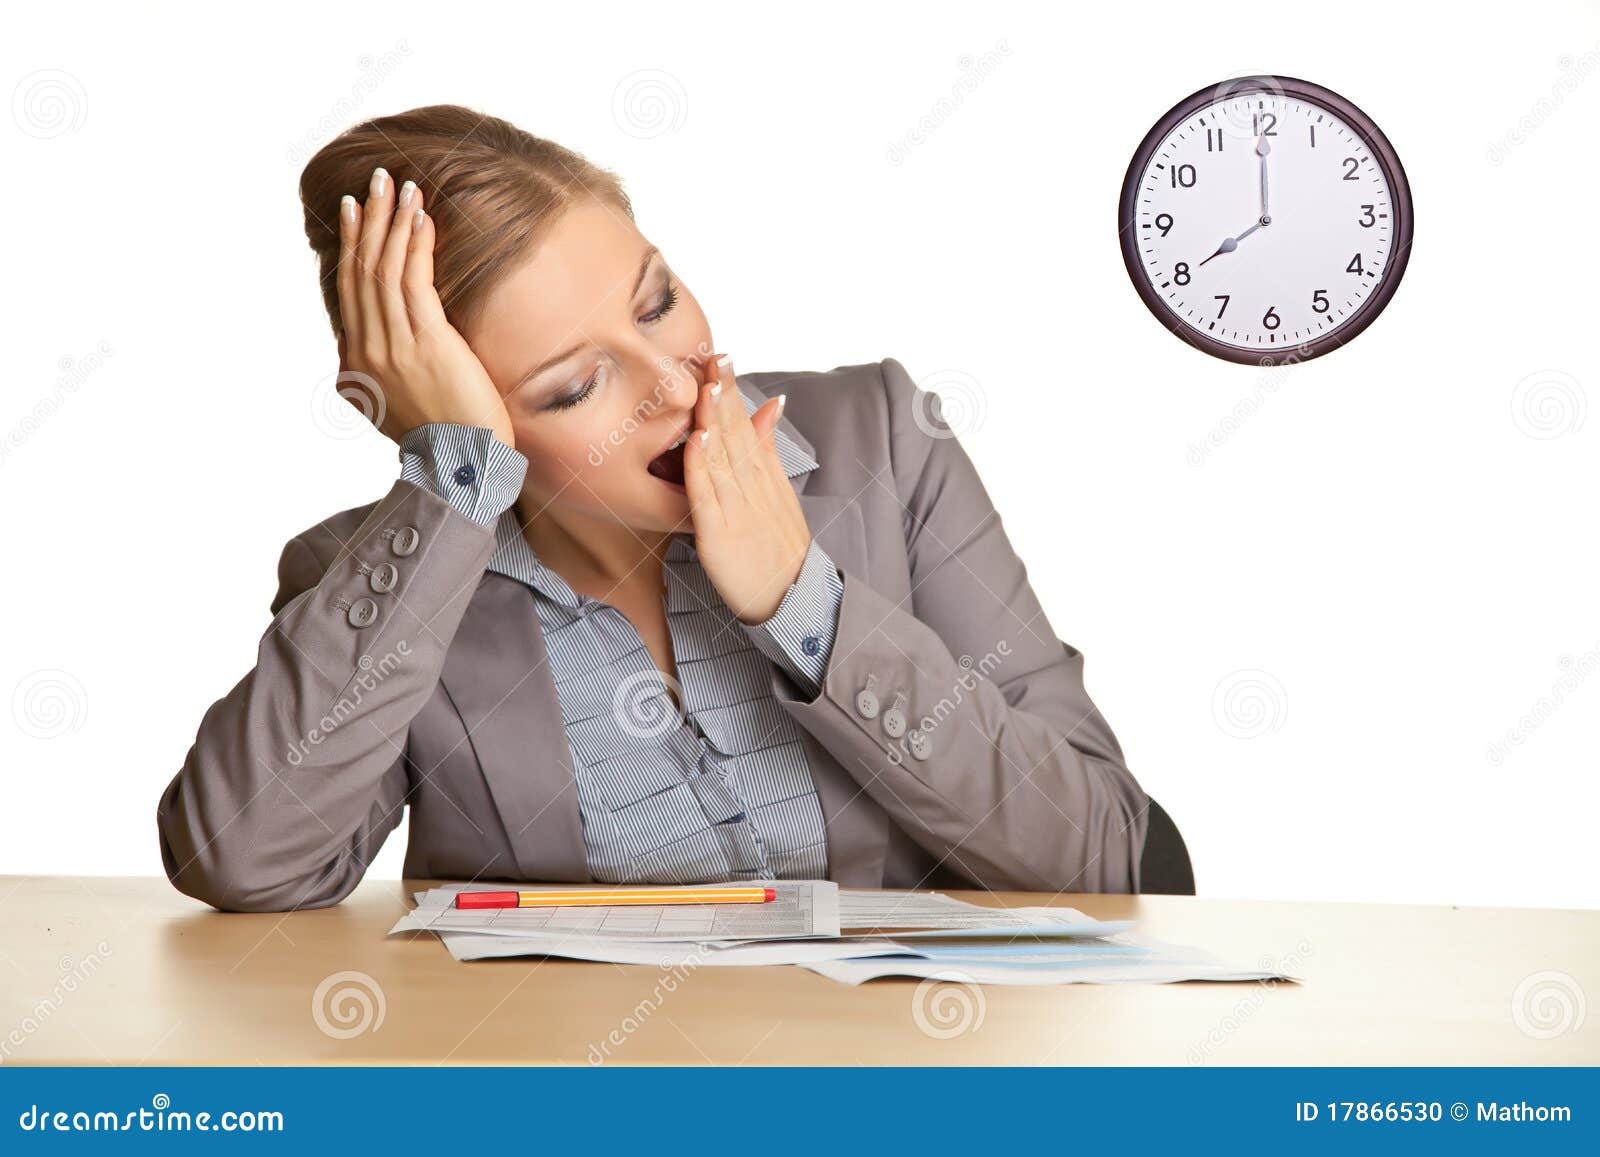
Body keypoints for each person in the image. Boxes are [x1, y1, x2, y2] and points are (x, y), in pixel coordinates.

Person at [155, 104, 1154, 912]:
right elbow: (241, 859)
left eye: (656, 303)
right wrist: (450, 482)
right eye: (572, 387)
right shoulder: (387, 577)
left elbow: (1099, 852)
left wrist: (802, 602)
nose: (673, 386)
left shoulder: (884, 444)